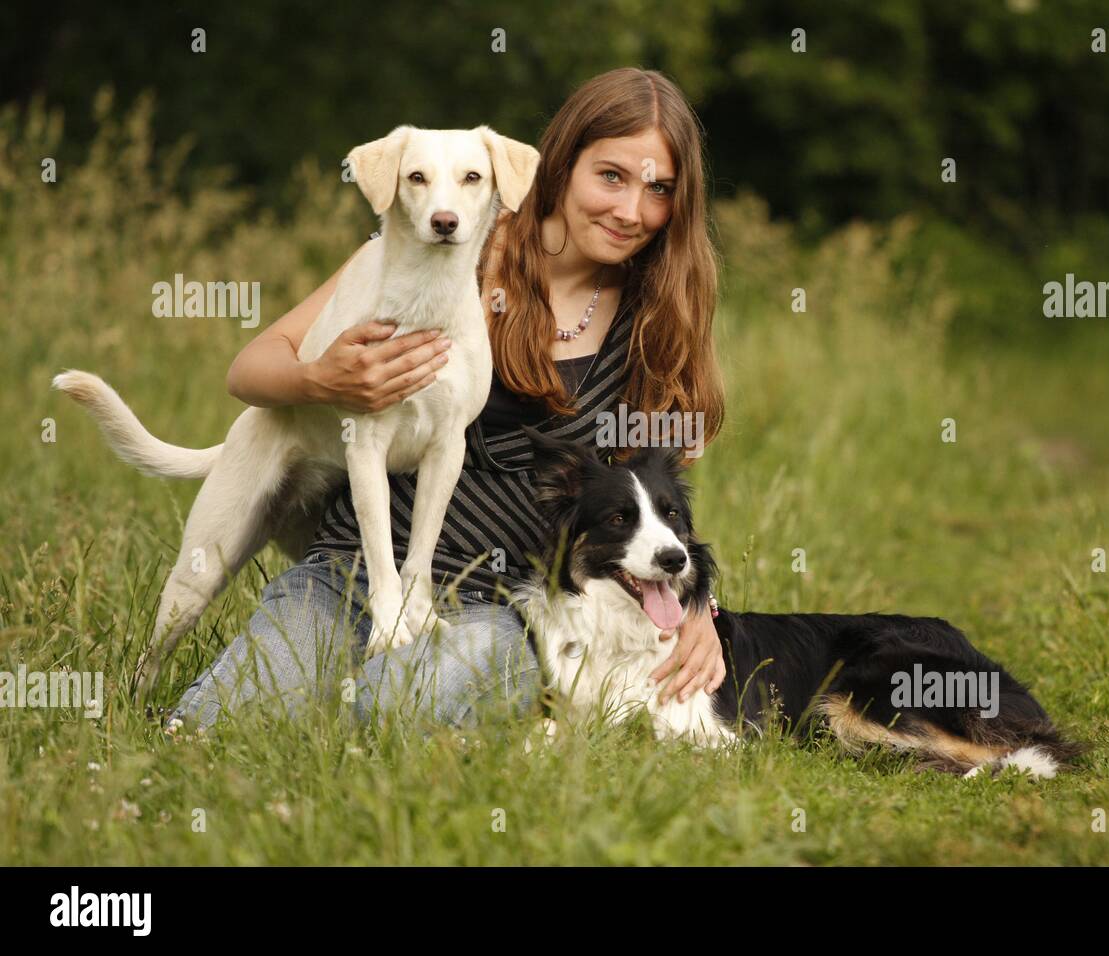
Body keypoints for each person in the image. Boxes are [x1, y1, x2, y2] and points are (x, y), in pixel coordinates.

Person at [166, 67, 726, 734]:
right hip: (353, 573)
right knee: (217, 727)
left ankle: (350, 725)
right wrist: (327, 378)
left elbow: (656, 504)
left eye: (658, 189)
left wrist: (699, 613)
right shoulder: (447, 243)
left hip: (500, 608)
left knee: (388, 711)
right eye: (611, 176)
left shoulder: (656, 322)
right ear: (562, 165)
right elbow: (250, 369)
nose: (631, 210)